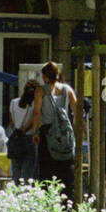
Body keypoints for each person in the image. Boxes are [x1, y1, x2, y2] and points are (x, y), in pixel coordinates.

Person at [34, 62, 78, 196]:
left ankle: (49, 201)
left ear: (45, 76)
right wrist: (73, 131)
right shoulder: (67, 89)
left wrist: (35, 131)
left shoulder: (41, 90)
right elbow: (77, 111)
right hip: (65, 134)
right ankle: (67, 200)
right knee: (65, 170)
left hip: (47, 133)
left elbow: (36, 112)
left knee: (47, 171)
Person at [8, 81, 41, 183]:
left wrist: (17, 128)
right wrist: (25, 129)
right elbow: (34, 119)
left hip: (16, 137)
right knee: (29, 170)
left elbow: (11, 121)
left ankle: (16, 191)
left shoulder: (14, 102)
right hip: (29, 137)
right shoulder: (35, 105)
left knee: (16, 168)